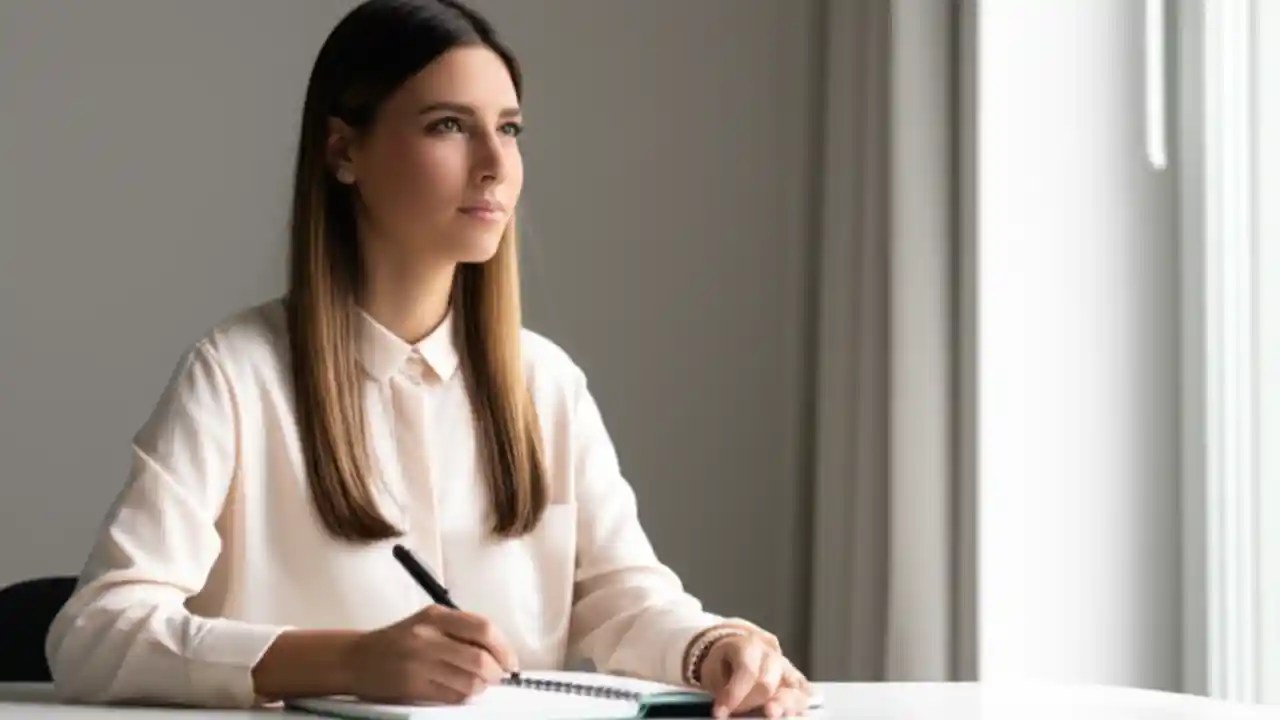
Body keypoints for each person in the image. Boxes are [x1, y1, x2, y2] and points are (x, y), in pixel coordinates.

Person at [44, 1, 811, 717]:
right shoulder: (237, 375)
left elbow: (623, 599)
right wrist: (346, 663)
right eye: (449, 125)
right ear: (344, 150)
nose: (494, 165)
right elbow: (95, 633)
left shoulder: (545, 383)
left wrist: (714, 647)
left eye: (508, 129)